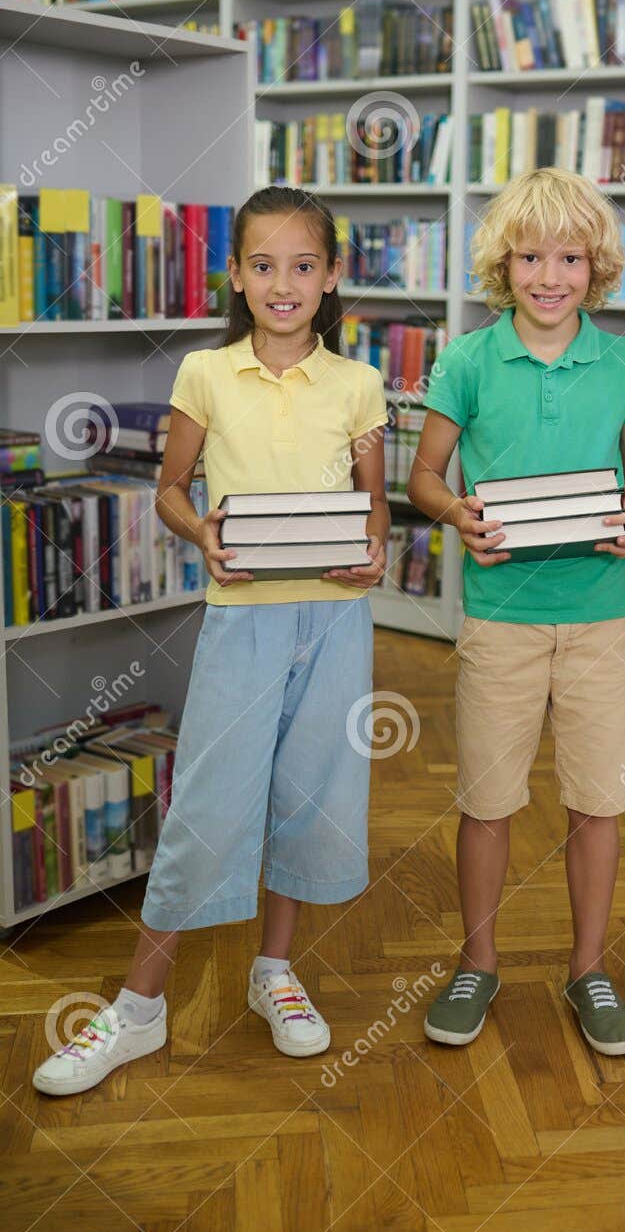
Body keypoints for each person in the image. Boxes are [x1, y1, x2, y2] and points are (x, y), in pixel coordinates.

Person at [33, 186, 389, 1096]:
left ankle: (275, 970)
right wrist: (202, 534)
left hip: (336, 620)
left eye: (302, 266)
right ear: (235, 275)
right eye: (263, 265)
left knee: (312, 791)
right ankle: (139, 1007)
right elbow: (171, 490)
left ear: (331, 275)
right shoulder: (205, 373)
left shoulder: (357, 384)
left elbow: (374, 506)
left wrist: (376, 550)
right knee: (207, 802)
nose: (283, 283)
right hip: (243, 618)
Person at [408, 167, 625, 1055]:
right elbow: (424, 476)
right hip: (500, 617)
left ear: (596, 268)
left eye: (569, 259)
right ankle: (476, 961)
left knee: (597, 803)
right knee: (488, 802)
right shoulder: (466, 360)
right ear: (502, 265)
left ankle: (587, 969)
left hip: (600, 616)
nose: (549, 277)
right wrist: (458, 515)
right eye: (529, 258)